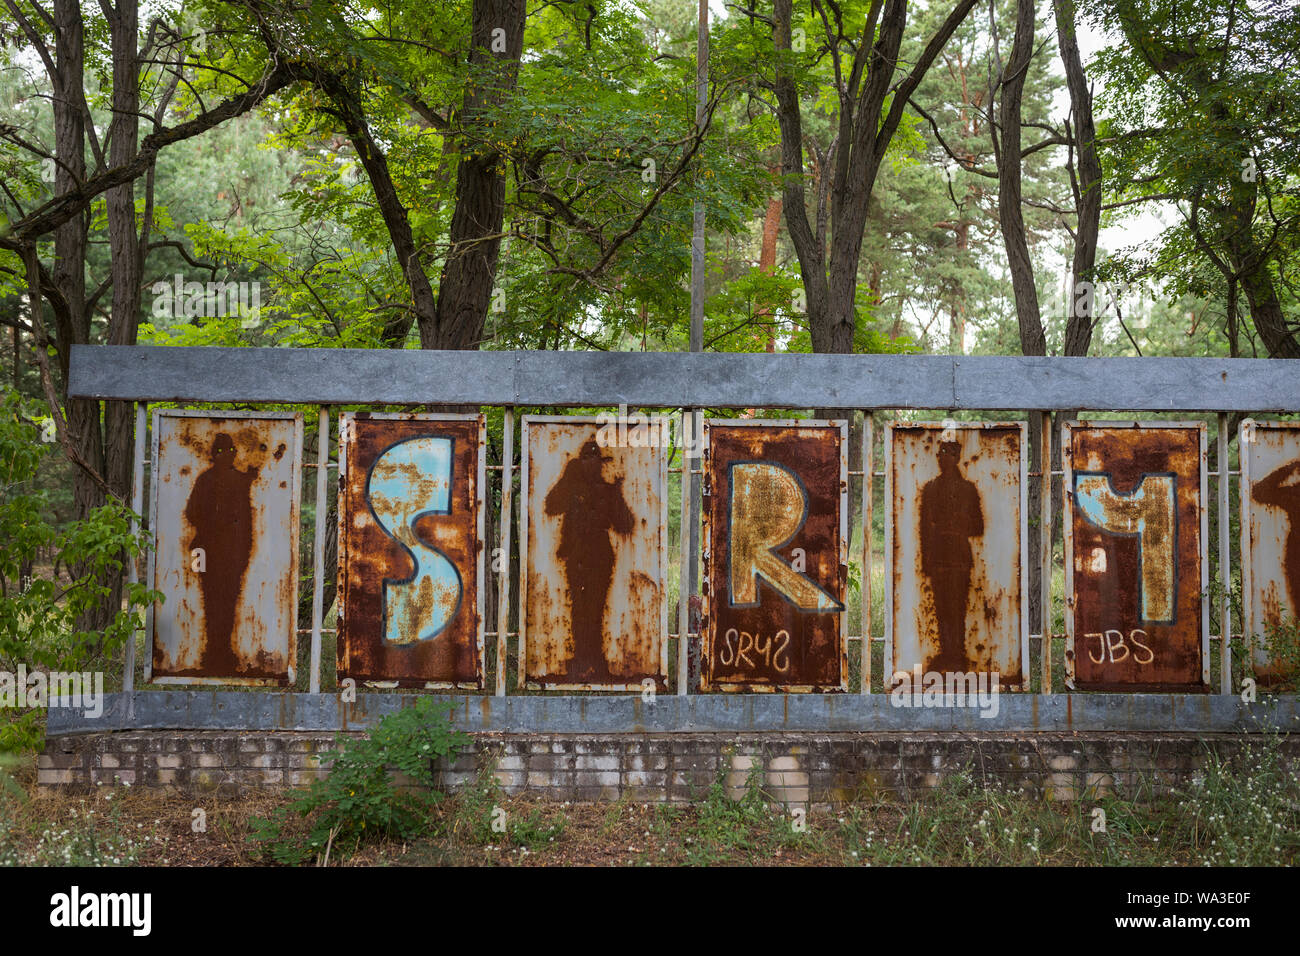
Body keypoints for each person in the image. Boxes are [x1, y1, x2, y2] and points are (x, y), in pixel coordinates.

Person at [544, 438, 634, 682]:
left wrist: (617, 494)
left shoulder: (607, 490)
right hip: (576, 555)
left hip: (599, 556)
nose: (591, 465)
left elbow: (626, 524)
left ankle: (594, 661)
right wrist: (567, 478)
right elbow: (551, 506)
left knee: (594, 609)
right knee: (579, 609)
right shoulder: (571, 488)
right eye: (586, 460)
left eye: (595, 460)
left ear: (600, 464)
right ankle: (584, 660)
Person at [185, 433, 258, 675]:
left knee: (226, 601)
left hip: (231, 553)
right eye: (221, 451)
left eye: (229, 450)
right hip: (209, 552)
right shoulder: (207, 480)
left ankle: (221, 650)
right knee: (213, 600)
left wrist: (243, 551)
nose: (226, 455)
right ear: (215, 455)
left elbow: (246, 521)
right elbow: (192, 512)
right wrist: (213, 526)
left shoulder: (239, 481)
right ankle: (214, 651)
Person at [918, 440, 984, 672]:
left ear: (957, 458)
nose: (943, 458)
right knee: (941, 607)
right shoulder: (930, 489)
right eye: (941, 453)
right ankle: (947, 654)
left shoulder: (968, 490)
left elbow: (978, 527)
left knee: (957, 607)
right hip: (938, 556)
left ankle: (958, 655)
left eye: (949, 454)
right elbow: (924, 528)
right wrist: (926, 559)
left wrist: (957, 523)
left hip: (959, 557)